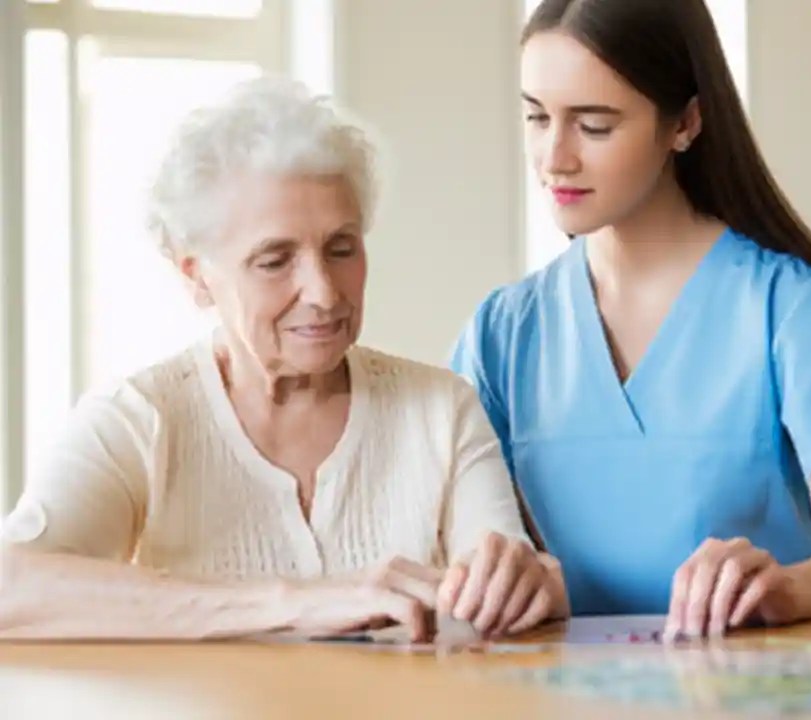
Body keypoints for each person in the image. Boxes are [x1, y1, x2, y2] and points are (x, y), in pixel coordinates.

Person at [0, 78, 567, 642]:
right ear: (195, 276)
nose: (323, 291)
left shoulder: (442, 409)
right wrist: (293, 602)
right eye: (275, 261)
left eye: (342, 248)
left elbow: (502, 593)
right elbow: (12, 588)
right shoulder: (139, 417)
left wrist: (521, 586)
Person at [450, 0, 811, 638]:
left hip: (757, 692)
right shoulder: (501, 335)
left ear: (686, 122)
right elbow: (468, 550)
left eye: (594, 125)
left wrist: (785, 588)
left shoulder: (790, 309)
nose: (554, 157)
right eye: (536, 117)